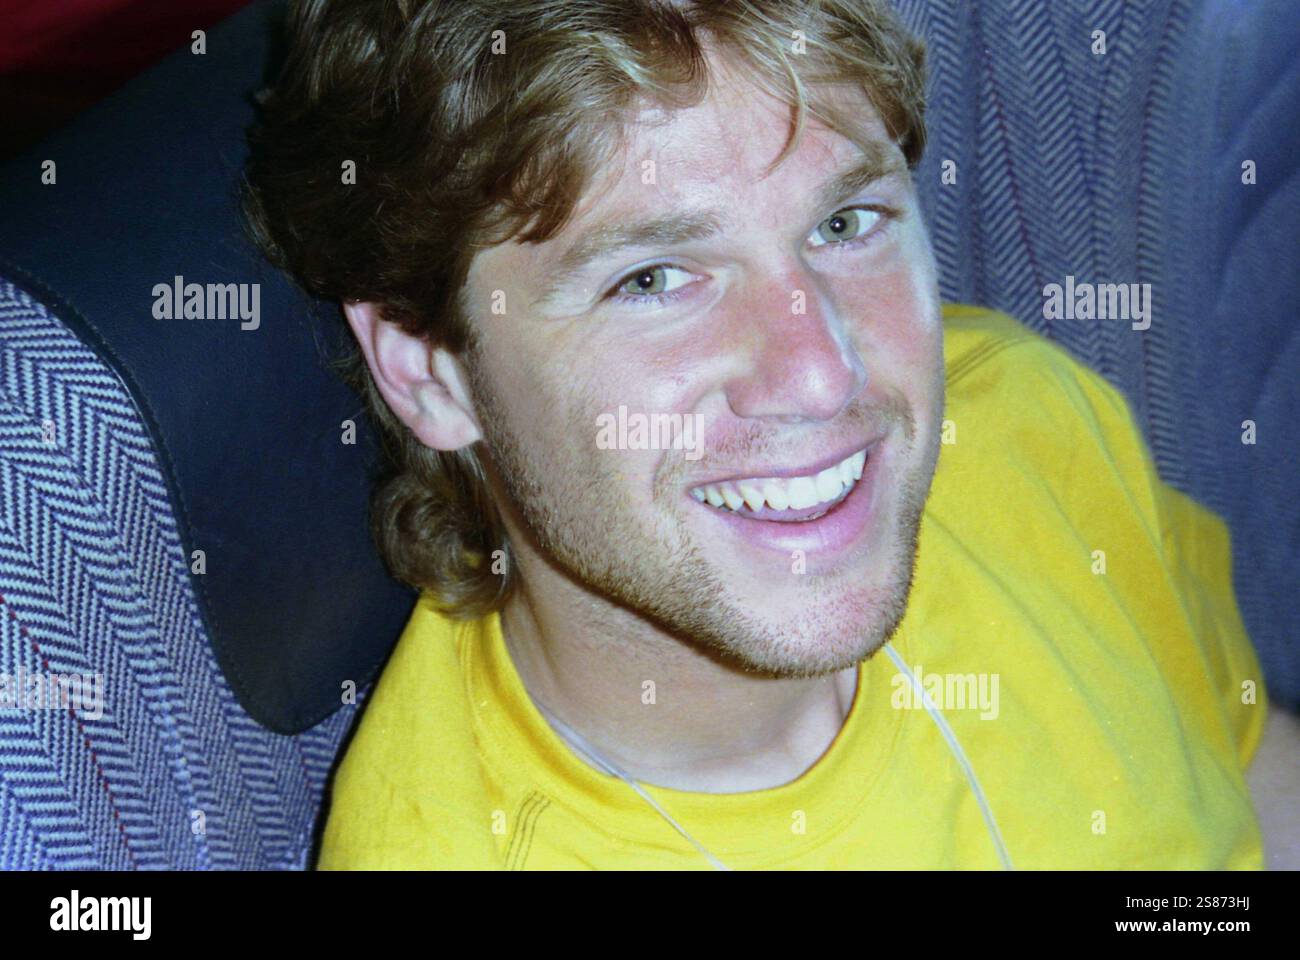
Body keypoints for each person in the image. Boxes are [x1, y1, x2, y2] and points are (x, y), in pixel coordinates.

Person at [243, 0, 1295, 869]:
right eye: (652, 280)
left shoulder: (1020, 415)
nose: (822, 375)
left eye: (844, 224)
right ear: (428, 370)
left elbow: (1243, 769)